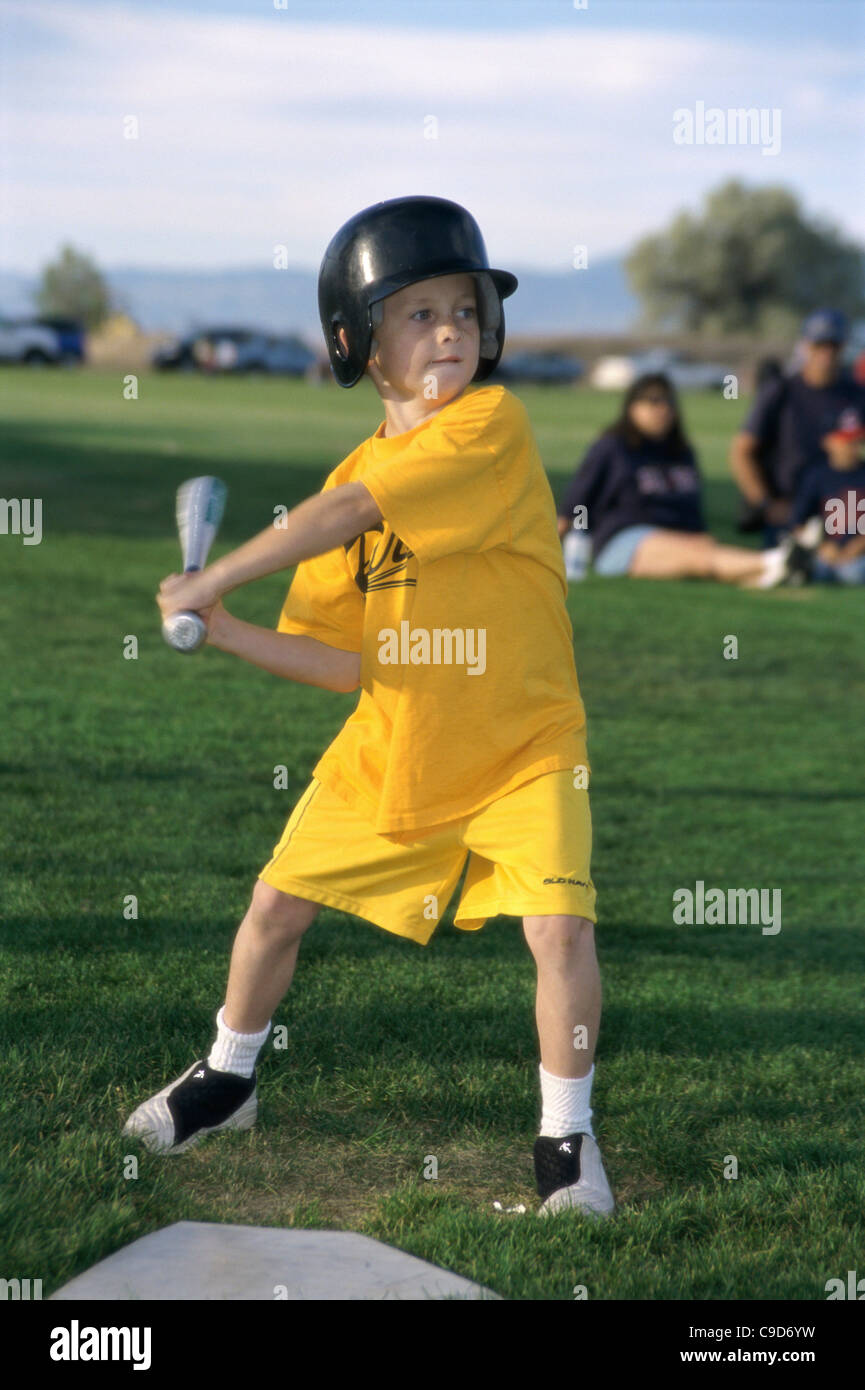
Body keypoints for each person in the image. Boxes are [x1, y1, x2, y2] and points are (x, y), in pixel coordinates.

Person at [124, 197, 616, 1219]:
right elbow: (341, 663)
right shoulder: (350, 472)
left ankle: (565, 1139)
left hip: (524, 740)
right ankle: (229, 1077)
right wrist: (226, 630)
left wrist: (213, 579)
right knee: (272, 909)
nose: (450, 331)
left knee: (559, 929)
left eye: (463, 311)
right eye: (418, 314)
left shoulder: (488, 423)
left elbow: (352, 512)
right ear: (358, 345)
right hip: (395, 738)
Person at [556, 373, 805, 587]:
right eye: (652, 401)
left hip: (681, 538)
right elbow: (576, 502)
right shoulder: (612, 447)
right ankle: (776, 561)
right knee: (701, 559)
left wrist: (697, 534)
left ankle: (771, 573)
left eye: (668, 402)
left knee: (705, 557)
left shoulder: (681, 453)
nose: (662, 409)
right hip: (626, 541)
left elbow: (691, 509)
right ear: (632, 406)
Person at [729, 309, 865, 546]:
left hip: (842, 510)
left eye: (833, 345)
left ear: (843, 347)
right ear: (804, 346)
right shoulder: (781, 391)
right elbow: (742, 451)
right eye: (819, 344)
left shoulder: (856, 394)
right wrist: (765, 503)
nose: (826, 352)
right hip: (790, 509)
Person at [789, 408, 865, 585]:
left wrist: (858, 547)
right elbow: (797, 522)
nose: (852, 447)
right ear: (828, 441)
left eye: (857, 441)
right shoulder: (816, 476)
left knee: (853, 573)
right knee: (815, 568)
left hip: (858, 555)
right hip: (826, 553)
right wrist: (821, 547)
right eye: (846, 441)